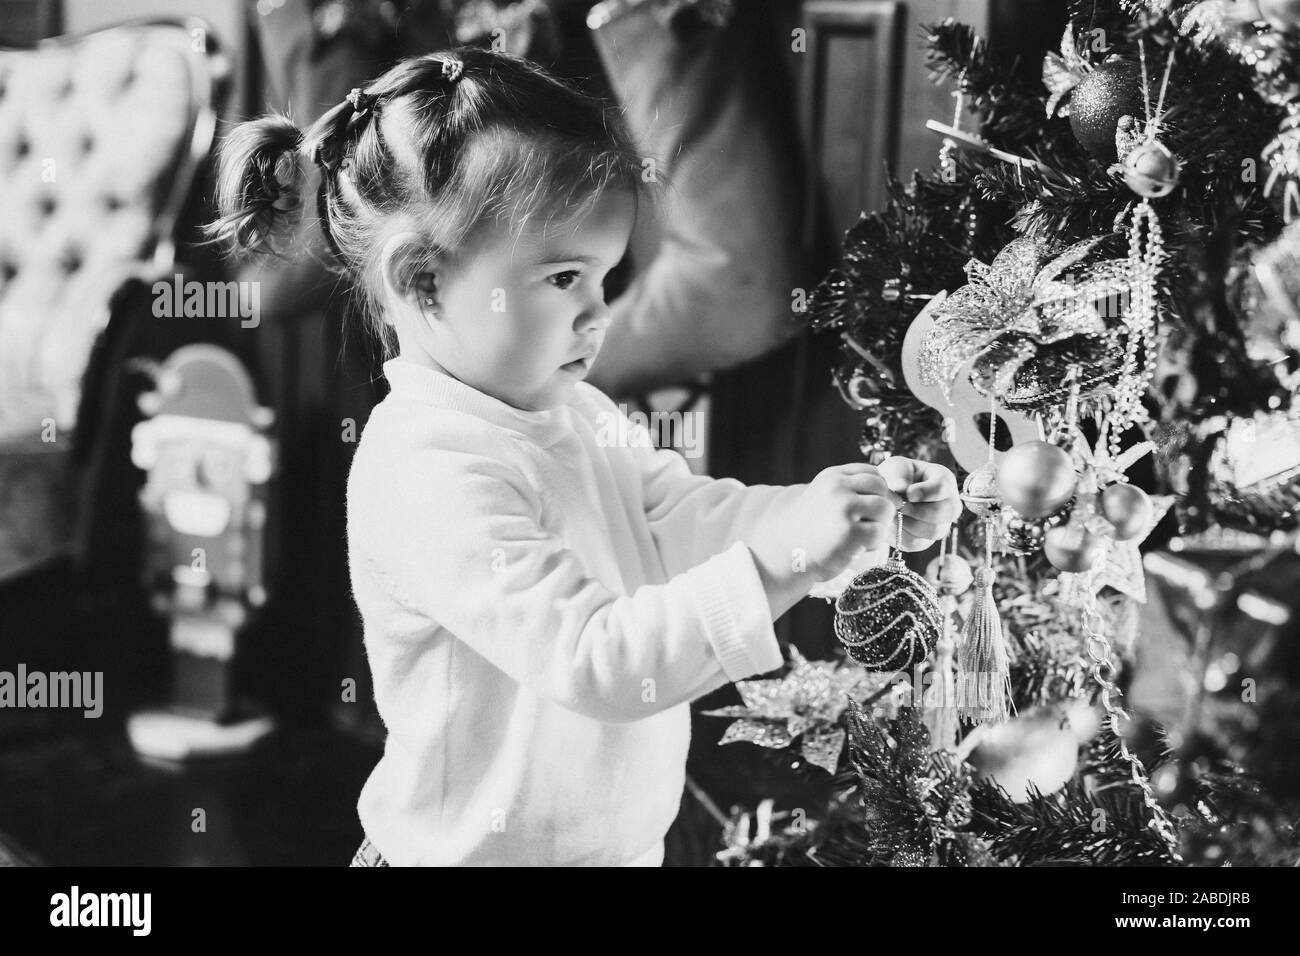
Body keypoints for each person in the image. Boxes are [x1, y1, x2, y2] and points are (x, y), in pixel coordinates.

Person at [207, 46, 962, 866]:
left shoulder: (575, 411)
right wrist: (782, 558)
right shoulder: (426, 468)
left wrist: (837, 520)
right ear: (422, 280)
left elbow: (678, 522)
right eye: (564, 277)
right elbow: (595, 661)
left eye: (605, 278)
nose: (598, 315)